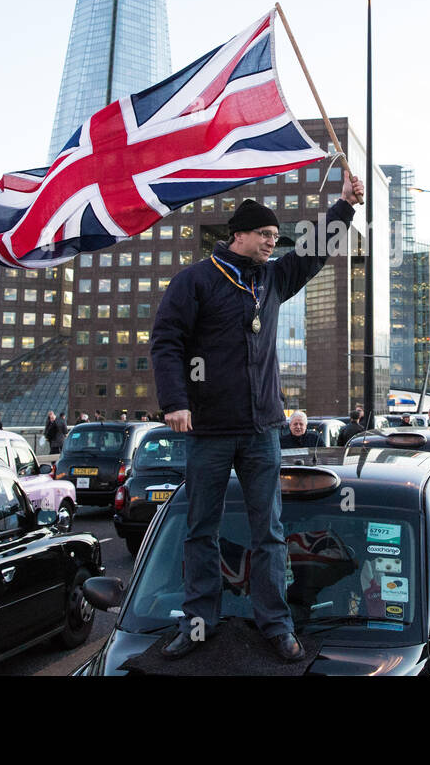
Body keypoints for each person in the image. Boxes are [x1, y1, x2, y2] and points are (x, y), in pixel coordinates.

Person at [151, 173, 364, 662]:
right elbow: (167, 342)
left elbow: (312, 253)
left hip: (261, 430)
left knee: (269, 532)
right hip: (207, 430)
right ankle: (197, 624)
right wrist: (175, 402)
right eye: (266, 236)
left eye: (275, 238)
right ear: (239, 235)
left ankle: (276, 625)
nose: (273, 242)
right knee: (200, 530)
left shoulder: (272, 278)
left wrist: (344, 206)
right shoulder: (195, 282)